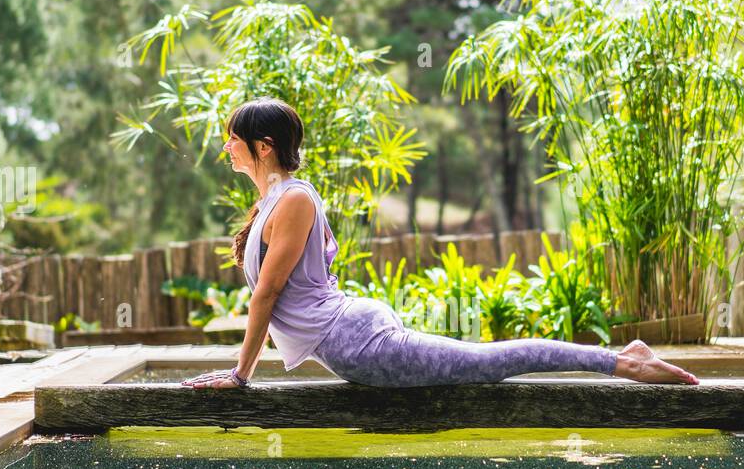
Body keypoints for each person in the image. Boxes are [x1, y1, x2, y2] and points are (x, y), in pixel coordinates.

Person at [181, 97, 699, 390]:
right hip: (348, 339)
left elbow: (267, 297)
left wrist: (239, 376)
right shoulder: (273, 201)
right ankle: (621, 359)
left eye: (233, 137)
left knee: (483, 364)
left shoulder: (294, 200)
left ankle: (623, 362)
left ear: (263, 147)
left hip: (358, 342)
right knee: (480, 363)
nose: (226, 146)